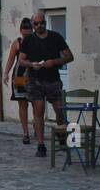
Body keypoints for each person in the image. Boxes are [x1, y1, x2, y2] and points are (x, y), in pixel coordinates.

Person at [18, 11, 73, 157]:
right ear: (33, 25)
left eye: (41, 23)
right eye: (36, 24)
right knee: (39, 109)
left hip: (53, 79)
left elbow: (69, 56)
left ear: (45, 23)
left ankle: (61, 134)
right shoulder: (28, 40)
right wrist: (32, 64)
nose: (39, 26)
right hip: (35, 79)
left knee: (59, 109)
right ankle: (41, 144)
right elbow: (21, 60)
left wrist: (54, 62)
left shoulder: (55, 37)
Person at [1, 18, 35, 145]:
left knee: (37, 103)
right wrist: (5, 73)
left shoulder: (35, 41)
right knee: (23, 104)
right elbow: (10, 59)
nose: (26, 36)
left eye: (28, 34)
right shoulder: (17, 43)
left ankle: (37, 127)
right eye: (24, 34)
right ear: (21, 31)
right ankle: (25, 132)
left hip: (33, 75)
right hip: (20, 76)